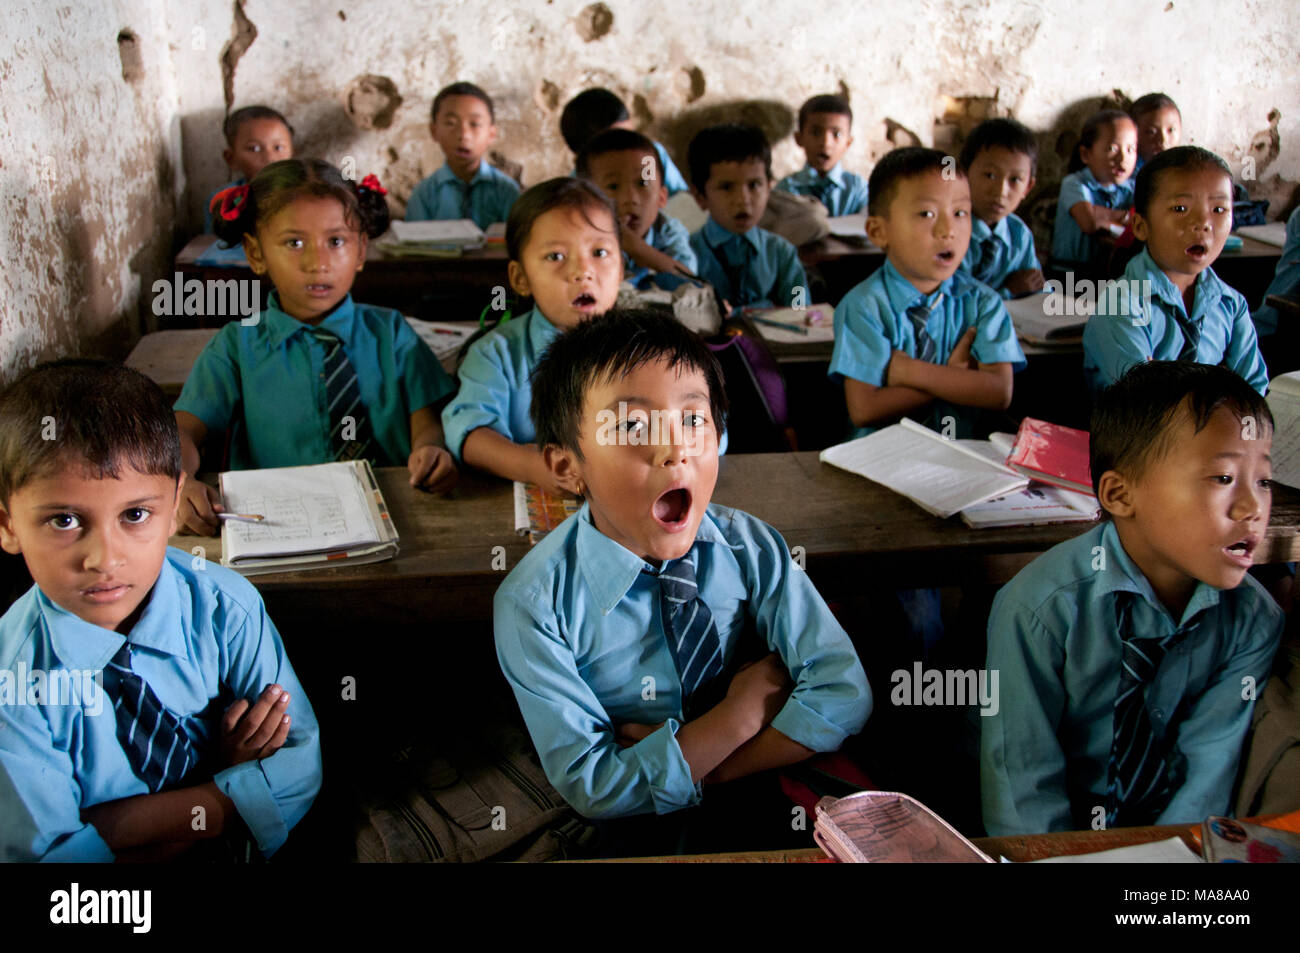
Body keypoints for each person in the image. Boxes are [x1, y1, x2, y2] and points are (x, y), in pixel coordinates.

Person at [494, 308, 870, 840]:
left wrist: (713, 767)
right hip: (629, 833)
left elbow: (846, 690)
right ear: (566, 466)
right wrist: (739, 716)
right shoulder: (534, 604)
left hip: (759, 783)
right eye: (629, 425)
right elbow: (595, 787)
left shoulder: (750, 546)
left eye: (694, 419)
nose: (676, 451)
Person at [0, 360, 322, 860]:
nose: (105, 559)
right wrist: (229, 788)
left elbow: (299, 768)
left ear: (174, 507)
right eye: (63, 520)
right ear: (7, 526)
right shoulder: (13, 681)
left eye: (135, 515)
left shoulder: (225, 608)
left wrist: (111, 828)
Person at [982, 361, 1283, 835]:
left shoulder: (1253, 618)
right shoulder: (1040, 609)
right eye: (1223, 478)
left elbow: (1209, 768)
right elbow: (1021, 782)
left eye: (1263, 480)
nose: (1252, 508)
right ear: (1120, 495)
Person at [175, 159, 458, 535]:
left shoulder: (390, 332)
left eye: (336, 241)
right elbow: (185, 430)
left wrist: (432, 451)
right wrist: (178, 481)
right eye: (294, 243)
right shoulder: (236, 344)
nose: (317, 262)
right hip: (277, 524)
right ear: (256, 254)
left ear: (360, 252)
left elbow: (427, 423)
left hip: (394, 514)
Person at [828, 146, 1024, 439]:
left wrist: (910, 372)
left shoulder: (984, 304)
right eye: (927, 213)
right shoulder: (865, 306)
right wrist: (953, 376)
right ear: (878, 231)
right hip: (879, 466)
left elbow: (998, 392)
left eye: (960, 213)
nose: (948, 230)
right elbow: (865, 408)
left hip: (959, 461)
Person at [441, 177, 623, 491]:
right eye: (556, 257)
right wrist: (536, 467)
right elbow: (469, 431)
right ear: (520, 278)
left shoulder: (649, 351)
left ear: (622, 268)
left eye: (600, 252)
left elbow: (705, 428)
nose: (583, 271)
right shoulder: (495, 354)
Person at [1083, 146, 1269, 396]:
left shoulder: (1232, 306)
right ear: (1140, 226)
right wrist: (1221, 387)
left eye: (1219, 210)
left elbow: (1254, 395)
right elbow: (1143, 402)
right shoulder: (1121, 305)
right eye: (1180, 208)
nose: (1203, 223)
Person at [687, 123, 807, 309]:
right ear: (700, 197)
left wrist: (798, 309)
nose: (743, 200)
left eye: (754, 185)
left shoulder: (781, 253)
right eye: (726, 187)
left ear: (769, 187)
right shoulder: (687, 254)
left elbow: (800, 307)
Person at [576, 127, 697, 289]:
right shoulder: (582, 238)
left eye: (642, 183)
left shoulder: (667, 231)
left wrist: (638, 249)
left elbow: (692, 281)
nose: (631, 199)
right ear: (587, 201)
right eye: (613, 186)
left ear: (661, 198)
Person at [405, 82, 520, 229]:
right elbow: (413, 246)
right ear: (434, 131)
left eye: (475, 124)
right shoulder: (424, 194)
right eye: (451, 123)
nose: (463, 135)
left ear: (491, 134)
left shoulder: (506, 191)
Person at [957, 118, 1044, 298]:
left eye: (1015, 180)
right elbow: (953, 301)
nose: (1001, 191)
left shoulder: (1019, 234)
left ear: (1028, 187)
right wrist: (1007, 292)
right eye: (989, 175)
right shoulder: (950, 232)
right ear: (963, 174)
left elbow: (1034, 286)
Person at [775, 93, 870, 216]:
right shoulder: (785, 190)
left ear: (848, 142)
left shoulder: (858, 189)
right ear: (799, 138)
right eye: (816, 132)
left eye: (837, 134)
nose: (826, 143)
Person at [203, 105, 293, 234]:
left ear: (293, 153)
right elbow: (214, 249)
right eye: (254, 148)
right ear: (231, 158)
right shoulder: (222, 201)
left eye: (278, 147)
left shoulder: (306, 196)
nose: (269, 158)